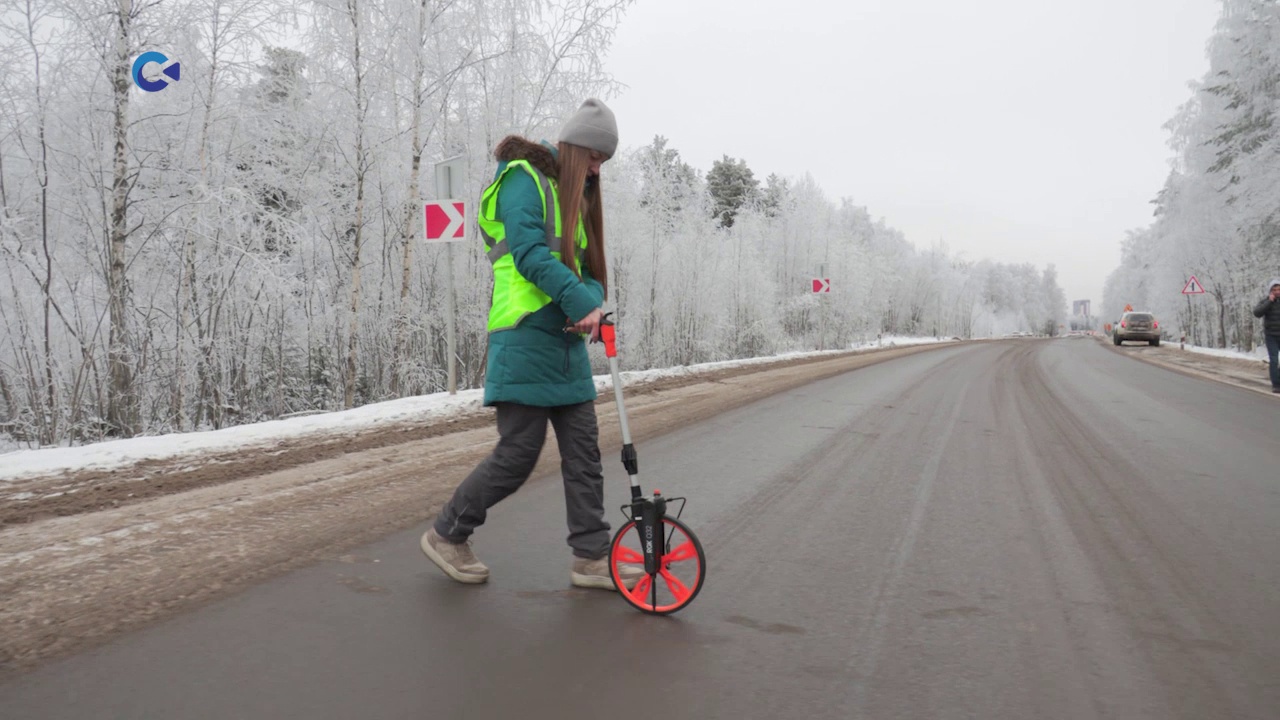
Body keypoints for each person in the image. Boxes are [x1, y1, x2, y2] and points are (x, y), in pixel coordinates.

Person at [420, 98, 643, 591]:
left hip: (564, 345)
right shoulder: (523, 178)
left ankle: (591, 556)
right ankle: (447, 534)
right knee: (519, 452)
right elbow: (527, 254)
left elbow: (586, 271)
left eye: (603, 162)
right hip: (522, 334)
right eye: (592, 156)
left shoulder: (575, 203)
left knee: (584, 451)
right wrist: (577, 299)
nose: (596, 168)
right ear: (572, 146)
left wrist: (594, 303)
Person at [1254, 277, 1280, 393]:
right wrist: (1270, 301)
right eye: (1274, 290)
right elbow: (1257, 313)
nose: (1277, 292)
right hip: (1271, 335)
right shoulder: (1265, 302)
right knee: (1274, 360)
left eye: (1278, 289)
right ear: (1270, 291)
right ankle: (1276, 384)